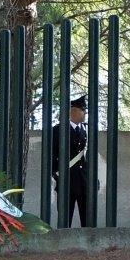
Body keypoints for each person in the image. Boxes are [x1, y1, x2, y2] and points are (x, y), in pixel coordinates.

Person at [50, 95, 90, 226]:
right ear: (74, 111)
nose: (85, 113)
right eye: (83, 109)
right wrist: (56, 173)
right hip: (66, 180)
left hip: (83, 181)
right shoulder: (58, 130)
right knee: (65, 220)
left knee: (87, 219)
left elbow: (84, 157)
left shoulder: (84, 130)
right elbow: (52, 154)